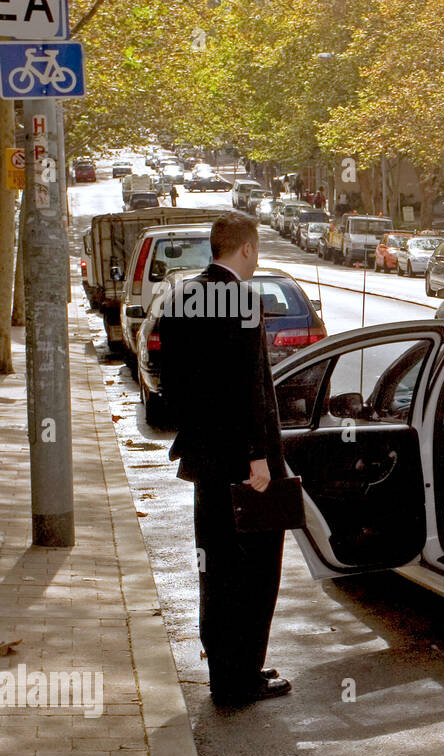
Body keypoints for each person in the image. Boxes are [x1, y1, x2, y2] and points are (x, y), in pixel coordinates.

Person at [158, 212, 290, 707]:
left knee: (215, 568)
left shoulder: (181, 297)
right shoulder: (243, 301)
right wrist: (258, 457)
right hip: (244, 465)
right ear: (247, 250)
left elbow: (165, 376)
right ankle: (242, 678)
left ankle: (226, 669)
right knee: (256, 571)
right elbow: (252, 388)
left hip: (204, 461)